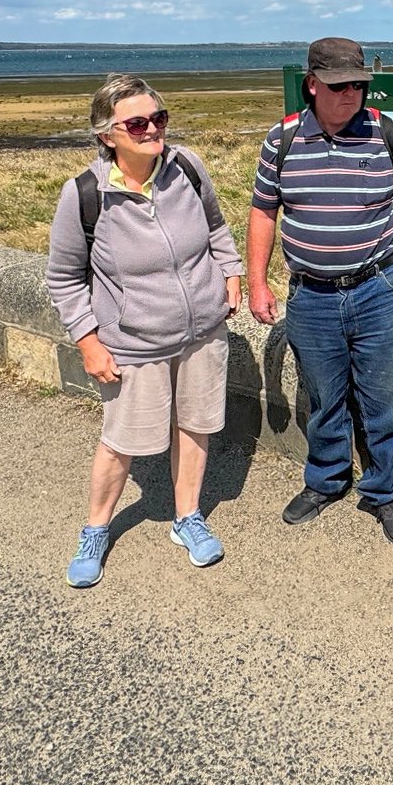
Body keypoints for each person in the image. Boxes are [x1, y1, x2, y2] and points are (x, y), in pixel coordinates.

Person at [247, 37, 393, 544]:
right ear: (312, 84)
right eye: (338, 86)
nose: (350, 94)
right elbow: (263, 212)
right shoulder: (282, 139)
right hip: (311, 295)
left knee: (384, 398)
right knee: (324, 396)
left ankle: (385, 491)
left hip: (379, 289)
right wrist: (257, 282)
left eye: (358, 84)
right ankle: (326, 480)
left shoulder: (384, 133)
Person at [46, 75, 243, 586]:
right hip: (134, 341)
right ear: (107, 134)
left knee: (195, 424)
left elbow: (216, 226)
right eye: (137, 123)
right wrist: (88, 341)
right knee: (121, 440)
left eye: (159, 118)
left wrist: (231, 272)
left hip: (203, 330)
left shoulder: (187, 167)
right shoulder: (84, 194)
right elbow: (63, 278)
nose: (153, 129)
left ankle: (187, 516)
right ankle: (95, 529)